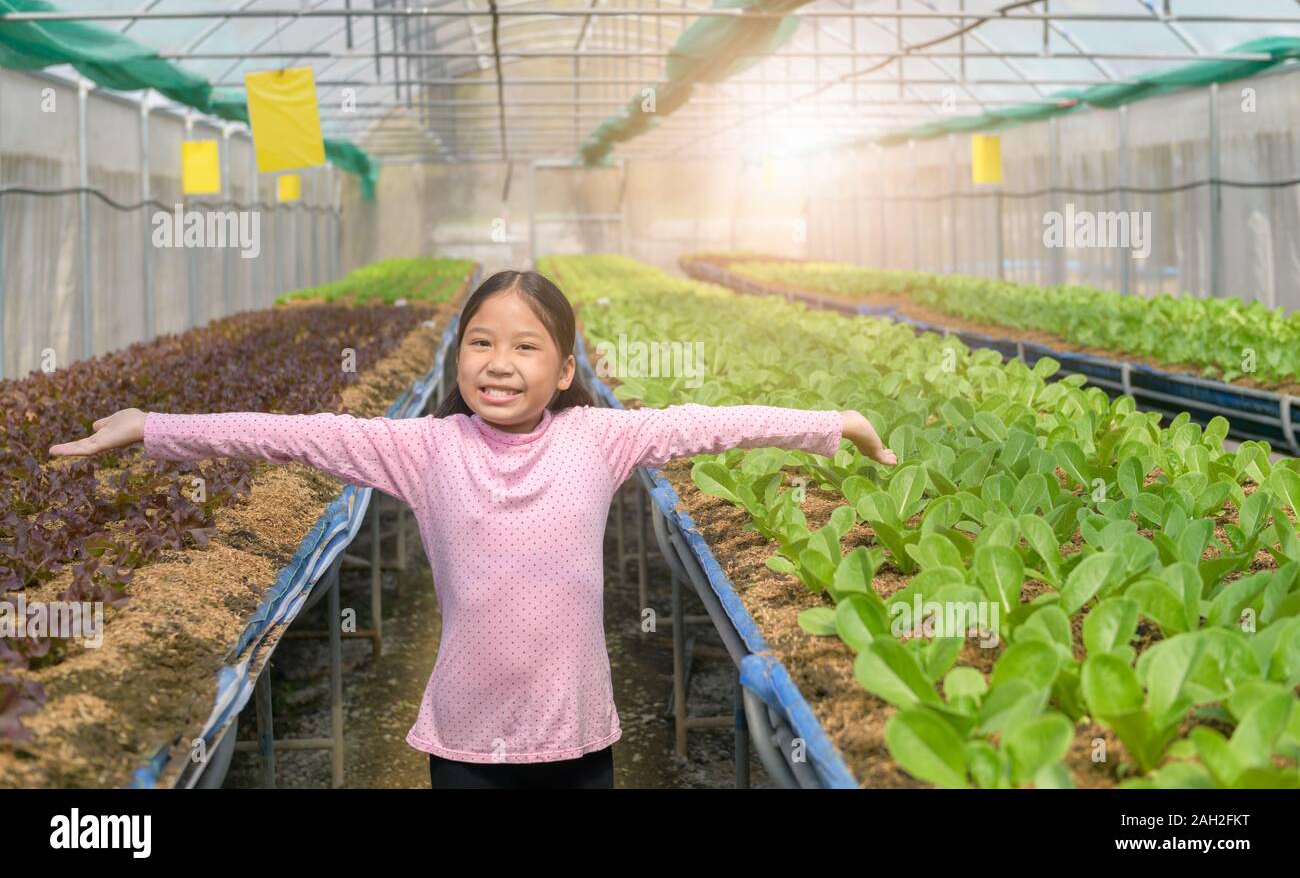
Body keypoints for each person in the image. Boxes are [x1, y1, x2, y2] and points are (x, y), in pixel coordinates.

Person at [49, 269, 896, 788]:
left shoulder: (601, 437)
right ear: (457, 357)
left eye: (526, 347)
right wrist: (151, 425)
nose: (499, 362)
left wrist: (838, 420)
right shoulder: (423, 449)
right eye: (480, 341)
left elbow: (714, 424)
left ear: (565, 369)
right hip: (463, 741)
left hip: (578, 736)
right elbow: (286, 431)